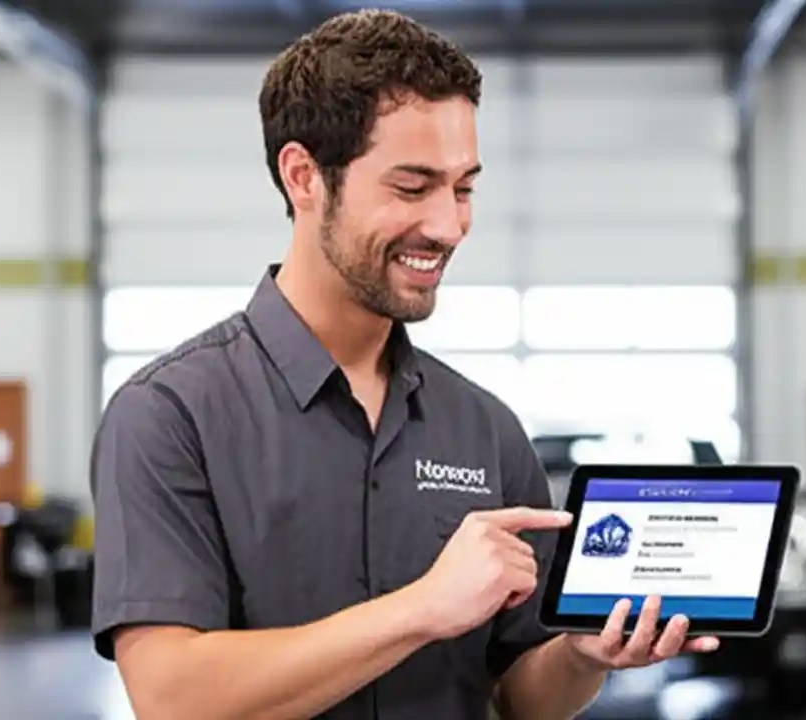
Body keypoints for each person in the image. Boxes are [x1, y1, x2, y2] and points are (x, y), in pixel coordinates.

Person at [89, 10, 718, 720]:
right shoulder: (171, 417)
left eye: (465, 188)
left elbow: (523, 700)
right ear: (303, 177)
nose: (449, 226)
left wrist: (581, 654)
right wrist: (424, 608)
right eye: (412, 188)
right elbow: (174, 698)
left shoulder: (484, 429)